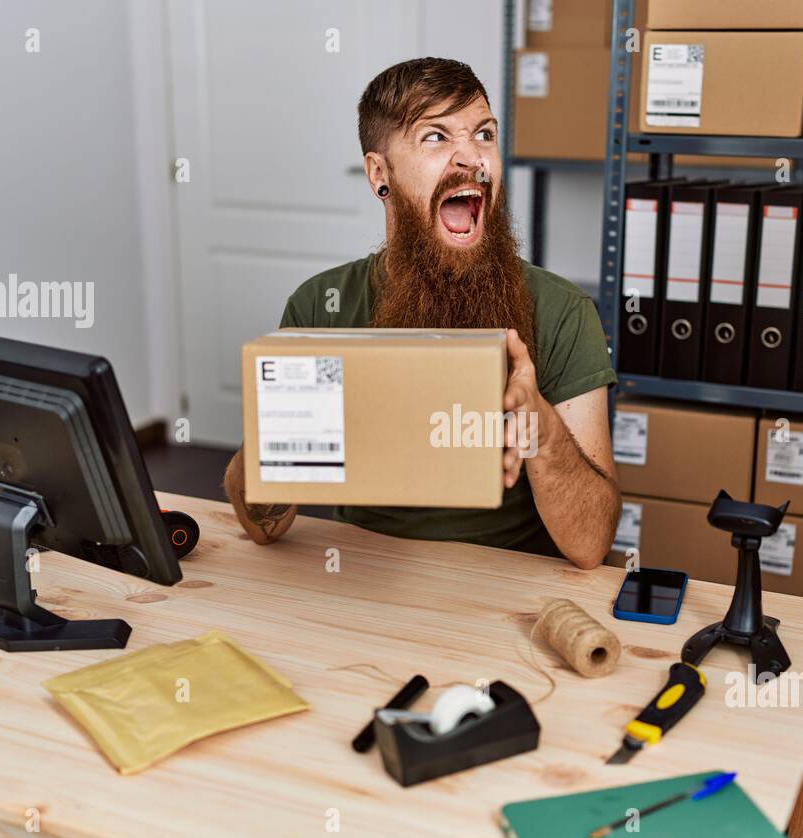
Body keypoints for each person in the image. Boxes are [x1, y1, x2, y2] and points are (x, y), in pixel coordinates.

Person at [224, 57, 619, 569]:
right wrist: (275, 436)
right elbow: (264, 528)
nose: (472, 159)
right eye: (435, 137)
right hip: (367, 576)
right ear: (379, 174)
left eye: (484, 134)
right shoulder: (321, 305)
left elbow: (591, 545)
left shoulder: (563, 310)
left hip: (509, 588)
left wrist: (540, 429)